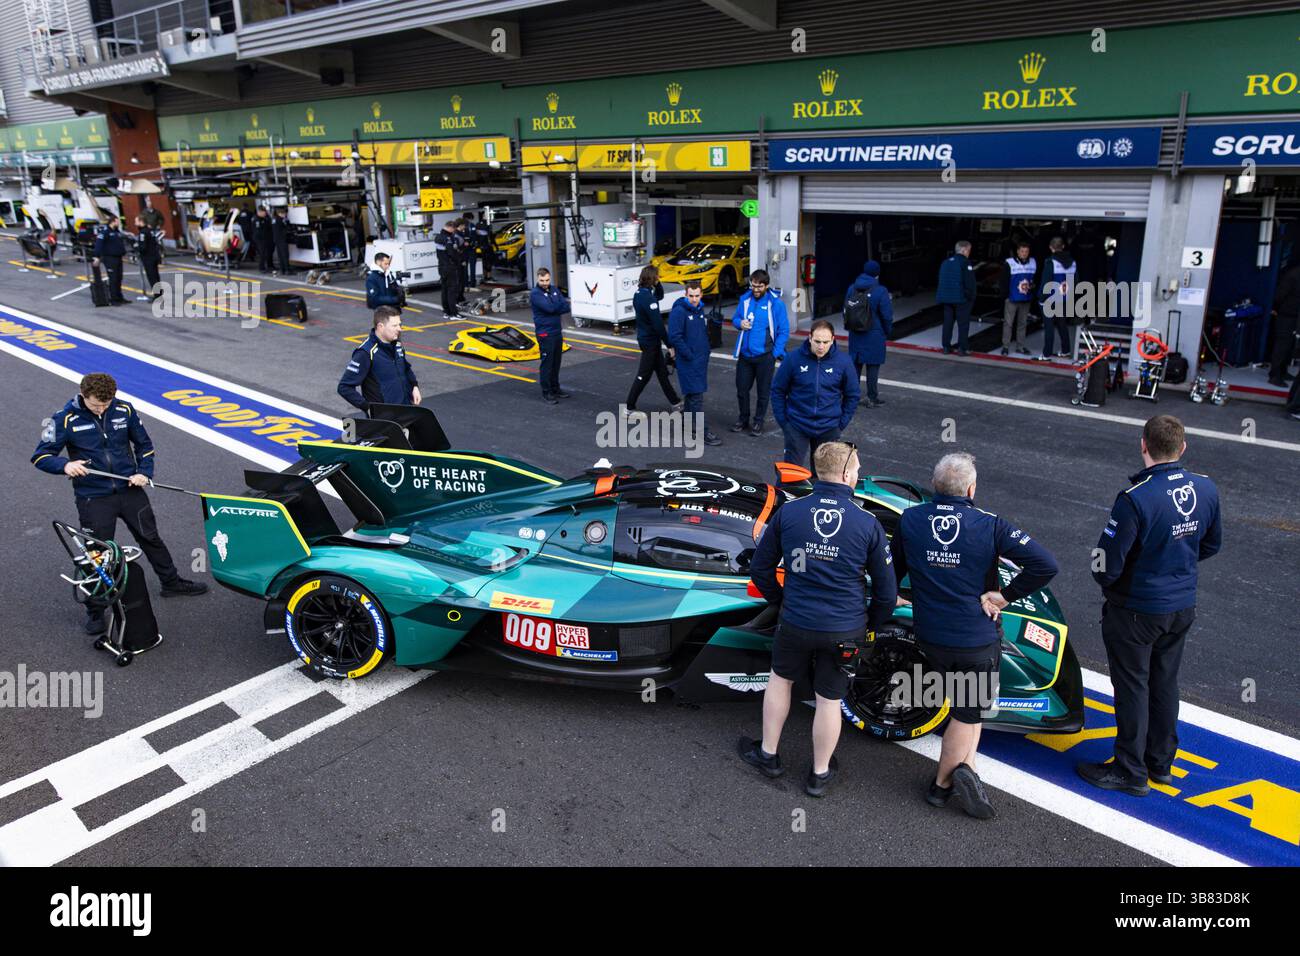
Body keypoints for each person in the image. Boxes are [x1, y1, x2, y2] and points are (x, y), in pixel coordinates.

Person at [891, 452, 1058, 819]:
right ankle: (941, 787)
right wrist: (1004, 596)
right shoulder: (990, 524)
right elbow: (1046, 564)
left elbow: (893, 573)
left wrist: (899, 597)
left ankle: (969, 768)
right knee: (967, 713)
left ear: (935, 485)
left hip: (930, 635)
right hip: (973, 639)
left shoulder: (911, 519)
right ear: (971, 488)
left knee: (970, 706)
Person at [741, 440, 897, 796]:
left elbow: (761, 569)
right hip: (845, 628)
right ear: (844, 474)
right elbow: (887, 594)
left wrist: (782, 601)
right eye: (856, 470)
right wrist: (868, 627)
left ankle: (768, 755)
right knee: (829, 699)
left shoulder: (790, 512)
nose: (858, 476)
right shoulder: (866, 523)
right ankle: (819, 775)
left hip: (796, 621)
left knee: (780, 681)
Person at [1079, 415, 1221, 796]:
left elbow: (1105, 565)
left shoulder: (1135, 498)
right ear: (1183, 447)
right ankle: (1161, 763)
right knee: (1165, 682)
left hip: (1137, 610)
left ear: (1143, 444)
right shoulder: (1206, 489)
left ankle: (1129, 770)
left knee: (1132, 687)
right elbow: (1210, 545)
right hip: (1181, 605)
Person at [32, 372, 208, 635]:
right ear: (83, 396)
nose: (102, 409)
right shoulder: (63, 419)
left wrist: (144, 472)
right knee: (98, 555)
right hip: (94, 497)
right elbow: (41, 456)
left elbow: (144, 445)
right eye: (96, 405)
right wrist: (65, 465)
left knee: (151, 537)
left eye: (106, 404)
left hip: (129, 489)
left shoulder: (124, 410)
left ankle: (171, 583)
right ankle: (95, 610)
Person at [770, 319, 858, 470]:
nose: (821, 346)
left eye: (825, 342)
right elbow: (777, 390)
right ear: (809, 338)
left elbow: (853, 395)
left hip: (829, 428)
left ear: (833, 340)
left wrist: (840, 424)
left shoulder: (844, 362)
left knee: (823, 475)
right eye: (817, 341)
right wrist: (785, 423)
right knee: (790, 473)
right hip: (797, 425)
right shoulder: (793, 359)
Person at [730, 269, 789, 436]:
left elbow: (784, 330)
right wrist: (739, 323)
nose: (755, 289)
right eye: (753, 285)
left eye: (759, 286)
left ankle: (758, 422)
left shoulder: (775, 303)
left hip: (765, 357)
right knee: (742, 390)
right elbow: (735, 319)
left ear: (766, 285)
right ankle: (743, 419)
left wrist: (774, 353)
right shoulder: (745, 299)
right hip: (745, 356)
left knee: (763, 392)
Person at [668, 279, 722, 446]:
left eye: (697, 296)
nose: (694, 299)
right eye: (691, 296)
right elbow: (674, 336)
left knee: (692, 395)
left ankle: (686, 424)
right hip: (689, 361)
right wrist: (688, 354)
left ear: (701, 294)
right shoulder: (679, 311)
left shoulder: (699, 309)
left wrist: (704, 351)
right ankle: (702, 432)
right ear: (685, 294)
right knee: (696, 396)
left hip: (700, 360)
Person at [337, 306, 422, 412]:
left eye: (399, 324)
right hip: (385, 418)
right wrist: (367, 407)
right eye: (394, 325)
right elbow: (344, 387)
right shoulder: (365, 353)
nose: (399, 329)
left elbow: (406, 368)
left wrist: (414, 386)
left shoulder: (397, 345)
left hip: (406, 410)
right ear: (381, 327)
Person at [625, 265, 682, 416]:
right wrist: (669, 344)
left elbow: (661, 295)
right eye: (657, 277)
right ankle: (629, 408)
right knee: (643, 375)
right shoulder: (648, 298)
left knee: (662, 373)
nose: (659, 278)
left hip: (647, 339)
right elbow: (658, 324)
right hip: (650, 342)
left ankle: (675, 402)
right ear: (653, 278)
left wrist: (657, 284)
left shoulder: (640, 294)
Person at [843, 260, 893, 408]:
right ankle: (871, 397)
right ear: (877, 274)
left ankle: (852, 396)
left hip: (855, 332)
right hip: (874, 333)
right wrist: (887, 331)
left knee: (855, 365)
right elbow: (887, 315)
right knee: (872, 366)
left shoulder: (852, 288)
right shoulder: (880, 290)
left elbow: (845, 310)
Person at [530, 267, 571, 405]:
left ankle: (555, 388)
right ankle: (546, 392)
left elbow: (566, 307)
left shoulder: (553, 289)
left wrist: (556, 304)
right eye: (542, 280)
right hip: (545, 333)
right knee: (547, 363)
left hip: (556, 331)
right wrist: (556, 304)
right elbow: (551, 308)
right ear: (538, 279)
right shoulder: (535, 294)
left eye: (547, 280)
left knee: (556, 362)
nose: (545, 283)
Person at [1037, 236, 1076, 361]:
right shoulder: (1073, 263)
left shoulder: (1051, 262)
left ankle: (1046, 353)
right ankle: (1066, 350)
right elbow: (1077, 282)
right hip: (1065, 299)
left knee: (1049, 326)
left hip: (1051, 299)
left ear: (1051, 248)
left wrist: (1041, 298)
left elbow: (1046, 282)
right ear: (1063, 247)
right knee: (1062, 324)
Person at [936, 240, 976, 355]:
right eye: (968, 250)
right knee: (963, 324)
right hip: (960, 299)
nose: (969, 253)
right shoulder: (965, 262)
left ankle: (946, 347)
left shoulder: (945, 262)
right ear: (964, 250)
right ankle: (962, 348)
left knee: (948, 323)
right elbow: (969, 283)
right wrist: (971, 297)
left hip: (946, 299)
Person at [999, 242, 1035, 356]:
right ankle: (1005, 346)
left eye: (1026, 251)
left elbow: (1035, 280)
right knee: (1008, 323)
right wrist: (1005, 297)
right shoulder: (1009, 263)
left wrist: (1033, 288)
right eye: (1022, 251)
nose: (1024, 254)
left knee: (1022, 323)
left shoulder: (1033, 263)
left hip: (1026, 298)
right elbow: (1003, 281)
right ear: (1018, 251)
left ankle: (1020, 346)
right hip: (1012, 298)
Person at [1267, 260, 1299, 387]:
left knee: (1289, 345)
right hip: (1286, 314)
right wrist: (1276, 308)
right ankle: (1275, 375)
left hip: (1293, 315)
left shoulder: (1294, 274)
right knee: (1282, 345)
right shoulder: (1293, 275)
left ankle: (1282, 371)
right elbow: (1280, 295)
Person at [92, 214, 128, 305]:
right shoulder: (105, 232)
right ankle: (114, 299)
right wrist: (96, 256)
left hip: (118, 257)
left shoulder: (116, 231)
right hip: (109, 258)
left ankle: (119, 297)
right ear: (113, 221)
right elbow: (98, 244)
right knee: (113, 278)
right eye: (117, 221)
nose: (119, 222)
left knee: (119, 278)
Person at [434, 219, 463, 318]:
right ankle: (453, 313)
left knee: (444, 289)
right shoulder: (448, 238)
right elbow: (452, 253)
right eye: (454, 229)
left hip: (441, 266)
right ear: (451, 228)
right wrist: (458, 261)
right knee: (452, 290)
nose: (454, 231)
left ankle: (446, 311)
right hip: (450, 267)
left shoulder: (438, 237)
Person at [133, 215, 163, 300]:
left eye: (136, 221)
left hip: (148, 258)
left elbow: (142, 247)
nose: (135, 224)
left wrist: (136, 247)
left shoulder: (143, 232)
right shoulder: (150, 231)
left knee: (152, 277)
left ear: (141, 221)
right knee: (156, 276)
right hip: (154, 256)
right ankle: (159, 294)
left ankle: (157, 296)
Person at [271, 207, 292, 276]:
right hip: (282, 239)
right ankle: (287, 270)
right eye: (284, 214)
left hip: (276, 239)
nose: (285, 215)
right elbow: (287, 228)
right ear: (280, 213)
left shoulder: (273, 219)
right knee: (285, 255)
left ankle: (282, 269)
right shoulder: (282, 220)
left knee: (280, 255)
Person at [253, 206, 274, 274]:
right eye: (264, 212)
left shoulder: (265, 218)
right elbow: (258, 231)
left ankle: (270, 265)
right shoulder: (256, 219)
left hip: (267, 238)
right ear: (259, 212)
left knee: (269, 252)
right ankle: (261, 267)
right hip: (260, 239)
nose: (265, 213)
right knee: (262, 253)